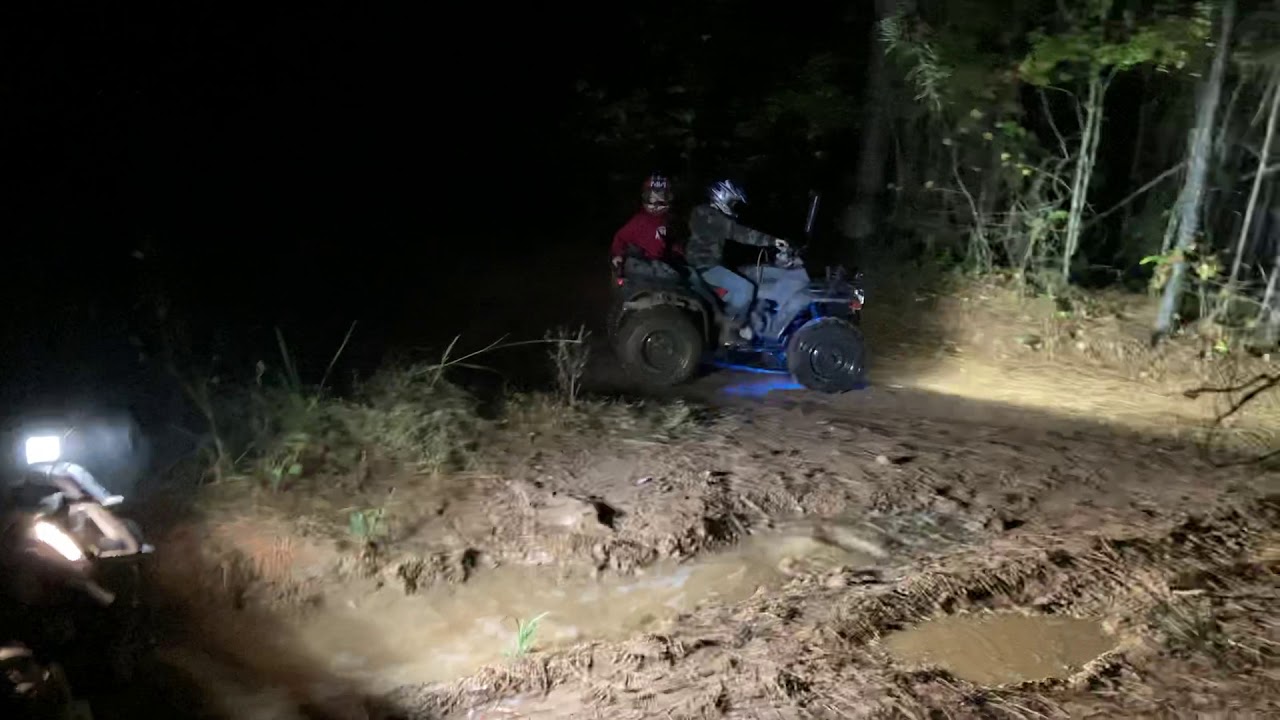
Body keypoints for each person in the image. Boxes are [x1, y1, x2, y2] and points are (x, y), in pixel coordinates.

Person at [686, 179, 789, 340]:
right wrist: (772, 241)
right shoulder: (706, 214)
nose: (733, 206)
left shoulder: (710, 215)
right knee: (745, 289)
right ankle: (730, 330)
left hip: (711, 265)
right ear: (722, 196)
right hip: (704, 266)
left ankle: (741, 324)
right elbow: (738, 233)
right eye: (732, 202)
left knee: (743, 284)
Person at [610, 174, 680, 278]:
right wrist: (618, 255)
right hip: (644, 268)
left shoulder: (671, 221)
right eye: (651, 200)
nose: (656, 205)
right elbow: (621, 238)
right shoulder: (639, 220)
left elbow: (676, 245)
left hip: (665, 268)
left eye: (661, 200)